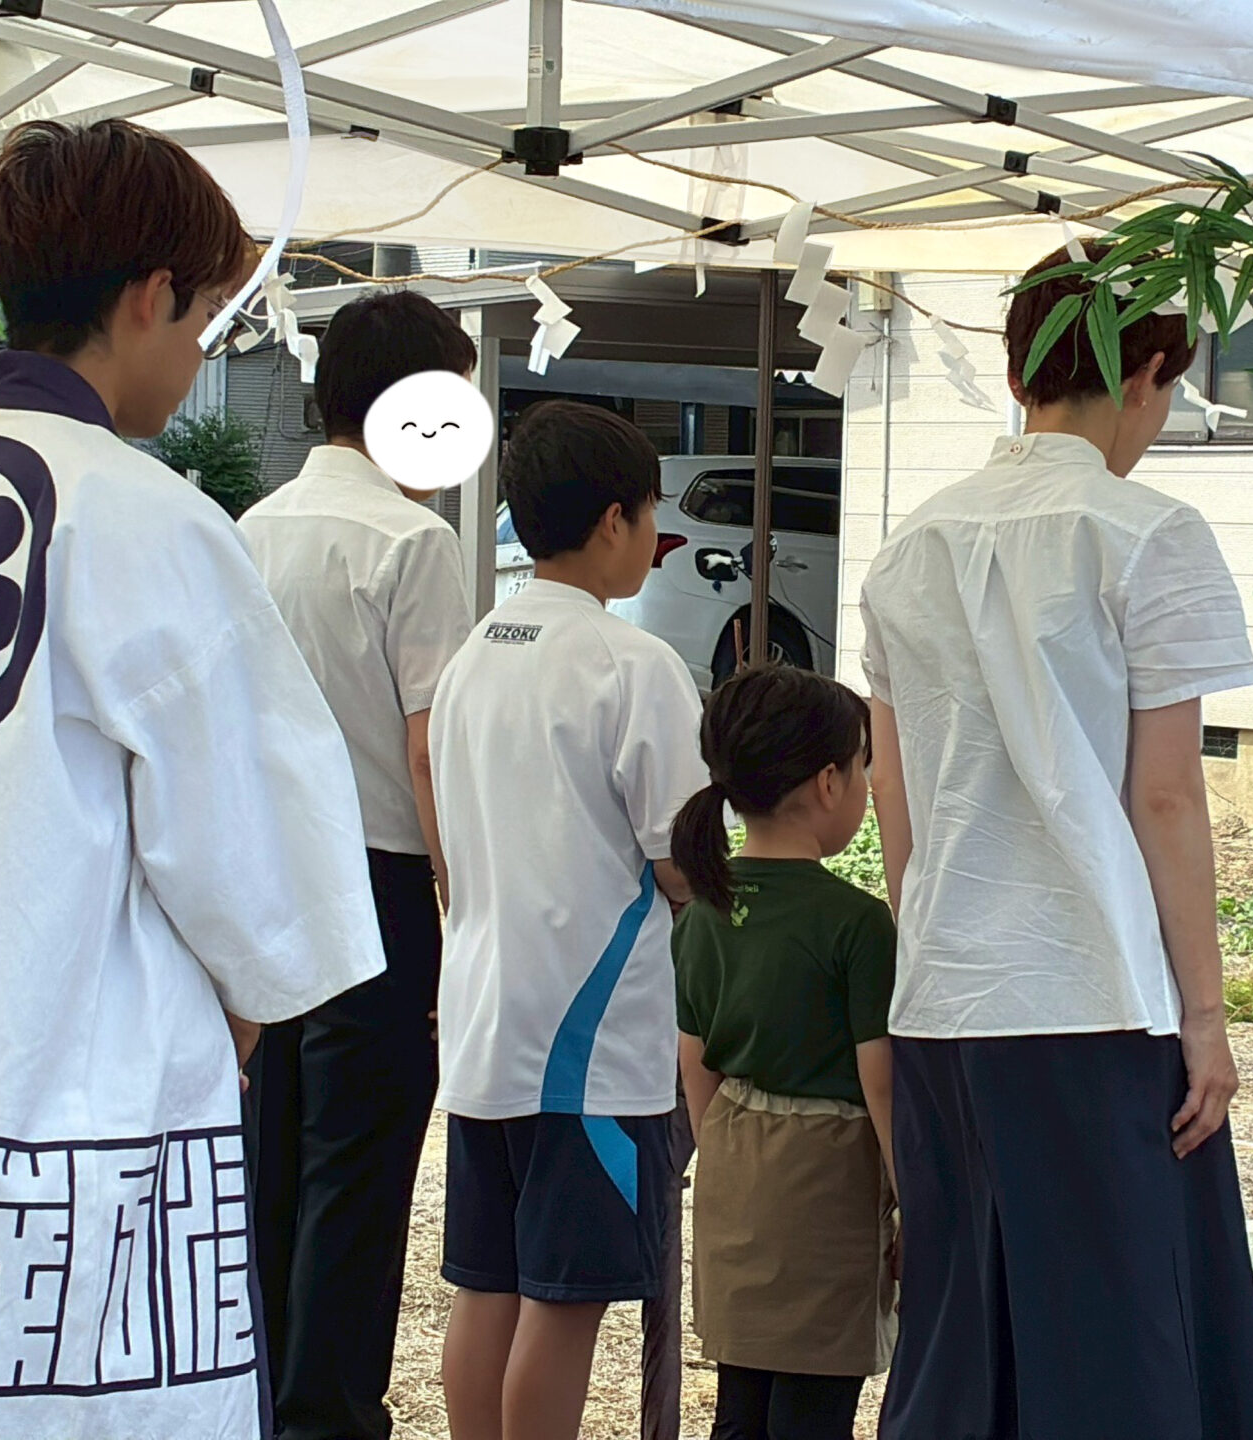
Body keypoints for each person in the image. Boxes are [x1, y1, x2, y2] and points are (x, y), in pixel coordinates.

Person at [0, 119, 387, 1440]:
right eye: (202, 321)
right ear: (147, 297)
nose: (194, 359)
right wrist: (230, 1027)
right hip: (107, 1146)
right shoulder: (146, 517)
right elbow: (269, 896)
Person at [858, 248, 1253, 1439]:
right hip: (1094, 995)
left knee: (961, 1345)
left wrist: (928, 947)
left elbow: (898, 799)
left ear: (1018, 367)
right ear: (1145, 371)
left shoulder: (910, 546)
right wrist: (1206, 1016)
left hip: (946, 994)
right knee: (1116, 1348)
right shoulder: (1148, 533)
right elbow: (1167, 800)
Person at [430, 400, 706, 1440]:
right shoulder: (630, 663)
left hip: (486, 1015)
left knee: (486, 1283)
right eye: (647, 517)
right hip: (586, 1044)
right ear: (610, 523)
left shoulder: (472, 658)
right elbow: (682, 853)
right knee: (566, 1296)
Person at [235, 291, 476, 1440]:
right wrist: (463, 903)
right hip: (375, 883)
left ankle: (260, 1396)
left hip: (255, 875)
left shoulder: (252, 528)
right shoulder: (411, 542)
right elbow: (431, 746)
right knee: (359, 1168)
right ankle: (327, 1412)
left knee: (265, 1154)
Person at [671, 664, 897, 1440]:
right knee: (814, 1405)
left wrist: (725, 1144)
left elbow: (694, 1056)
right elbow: (882, 1083)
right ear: (830, 782)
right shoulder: (857, 923)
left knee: (744, 1397)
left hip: (734, 1163)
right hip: (828, 1179)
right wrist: (915, 1198)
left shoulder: (705, 907)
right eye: (864, 765)